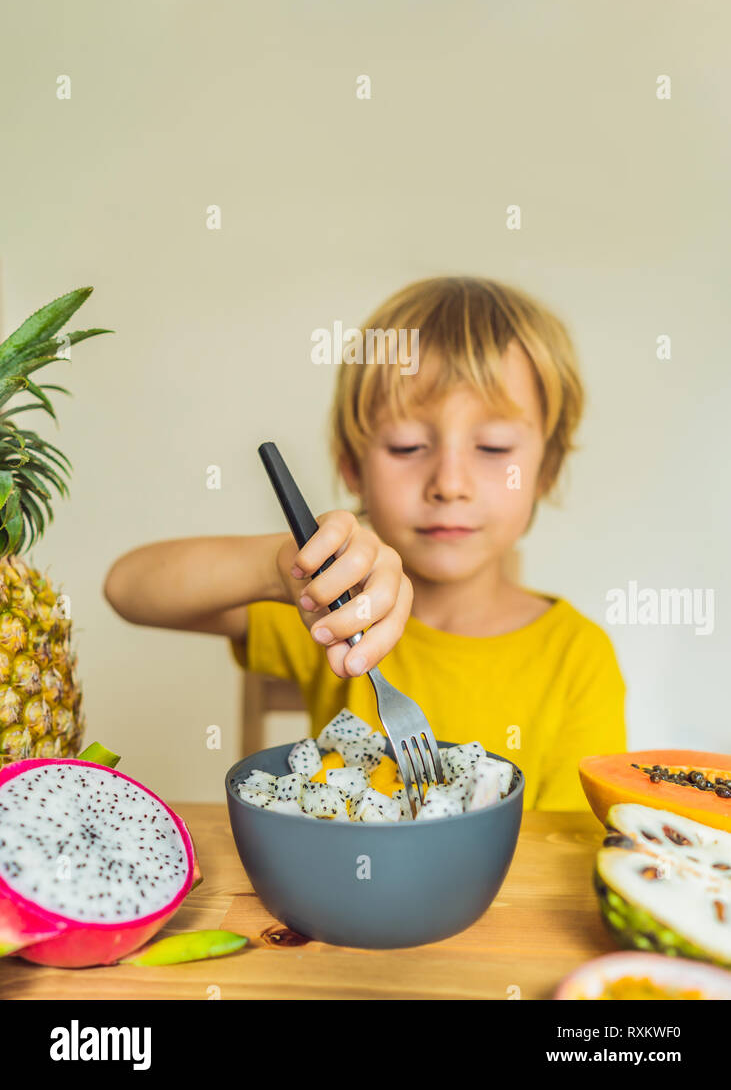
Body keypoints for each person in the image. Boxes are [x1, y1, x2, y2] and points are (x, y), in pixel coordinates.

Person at [104, 275, 626, 808]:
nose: (449, 484)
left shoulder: (579, 658)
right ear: (352, 466)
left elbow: (568, 852)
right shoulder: (330, 607)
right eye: (407, 446)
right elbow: (129, 588)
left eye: (492, 447)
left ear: (546, 470)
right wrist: (281, 566)